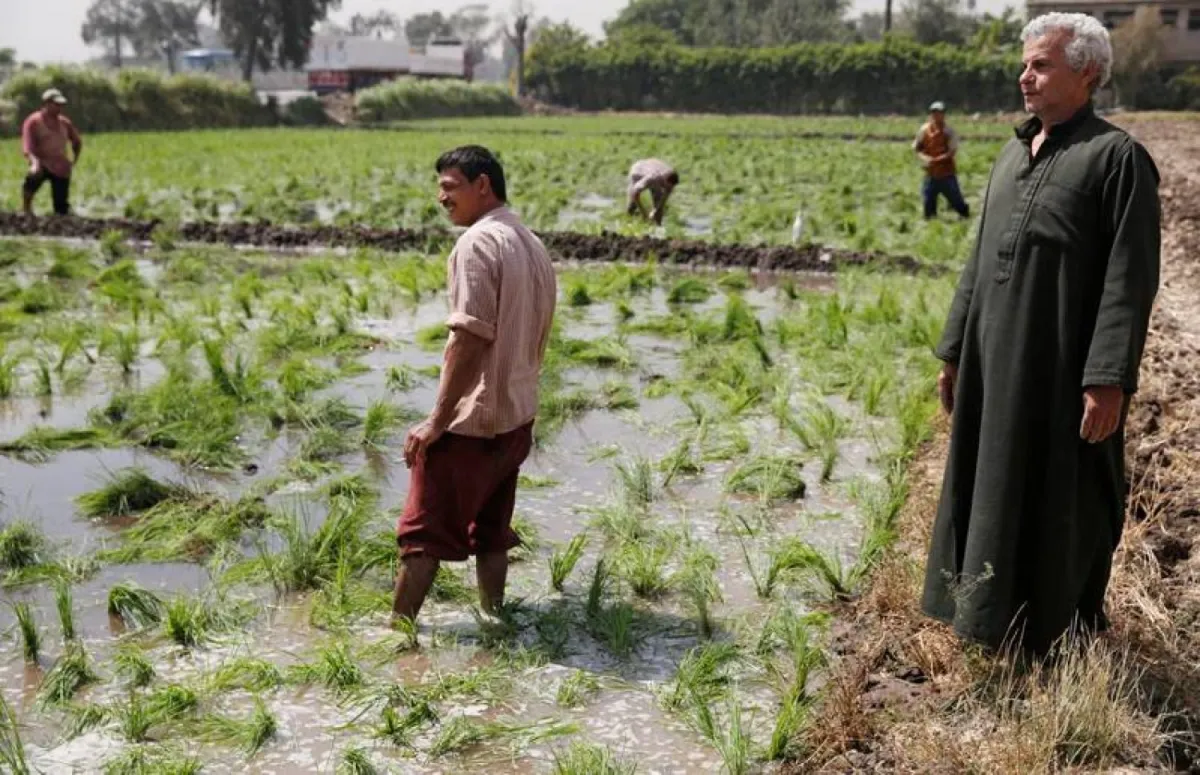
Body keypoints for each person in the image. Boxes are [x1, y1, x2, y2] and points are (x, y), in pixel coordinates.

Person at [922, 12, 1161, 655]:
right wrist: (953, 352)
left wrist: (1107, 377)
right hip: (991, 359)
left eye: (1040, 65)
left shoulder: (1117, 160)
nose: (1024, 76)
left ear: (1086, 73)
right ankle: (979, 619)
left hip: (1057, 368)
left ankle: (1048, 638)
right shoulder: (1010, 153)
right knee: (985, 484)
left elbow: (1128, 280)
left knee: (1059, 498)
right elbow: (979, 259)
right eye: (1025, 64)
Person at [393, 145, 557, 624]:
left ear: (481, 185)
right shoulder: (530, 242)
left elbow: (468, 337)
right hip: (517, 418)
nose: (442, 199)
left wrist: (436, 421)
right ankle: (494, 619)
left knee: (421, 532)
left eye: (450, 188)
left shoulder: (477, 245)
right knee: (491, 529)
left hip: (476, 423)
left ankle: (396, 637)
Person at [21, 88, 83, 217]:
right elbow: (28, 146)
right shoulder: (33, 122)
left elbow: (77, 141)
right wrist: (34, 163)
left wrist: (73, 160)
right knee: (32, 180)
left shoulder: (64, 123)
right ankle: (26, 209)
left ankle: (61, 215)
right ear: (46, 104)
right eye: (56, 105)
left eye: (61, 105)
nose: (59, 108)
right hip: (42, 163)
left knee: (61, 208)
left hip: (60, 165)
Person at [913, 101, 969, 220]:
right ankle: (932, 223)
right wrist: (925, 158)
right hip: (930, 174)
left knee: (957, 201)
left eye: (940, 113)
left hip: (946, 173)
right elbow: (917, 148)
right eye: (934, 113)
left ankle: (964, 214)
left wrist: (936, 160)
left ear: (944, 115)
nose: (937, 115)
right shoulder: (924, 130)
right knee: (928, 205)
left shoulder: (949, 132)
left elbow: (952, 152)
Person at [626, 158, 679, 226]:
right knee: (631, 207)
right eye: (667, 187)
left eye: (670, 187)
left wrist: (656, 210)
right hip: (638, 171)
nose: (668, 189)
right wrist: (644, 213)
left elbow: (662, 204)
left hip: (653, 167)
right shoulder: (652, 178)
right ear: (664, 181)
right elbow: (635, 193)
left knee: (658, 205)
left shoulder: (670, 179)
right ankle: (629, 223)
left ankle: (657, 227)